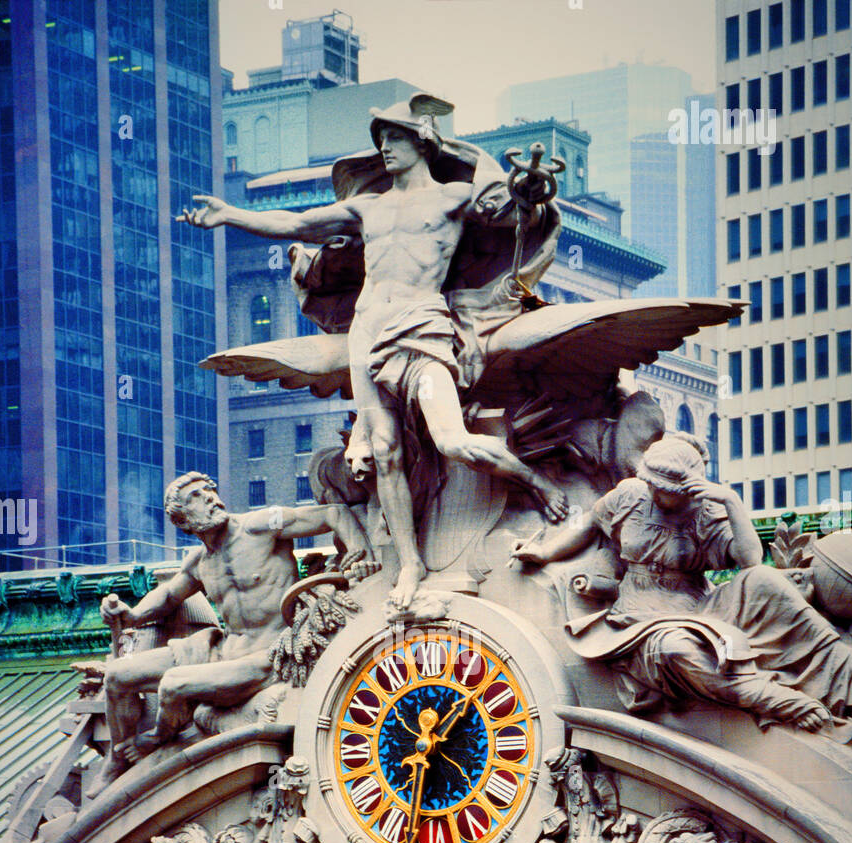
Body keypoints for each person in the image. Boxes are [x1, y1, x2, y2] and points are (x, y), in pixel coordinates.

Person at [178, 93, 569, 610]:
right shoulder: (368, 206)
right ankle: (409, 565)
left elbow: (511, 210)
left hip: (423, 326)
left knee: (452, 440)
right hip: (368, 330)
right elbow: (297, 225)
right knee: (384, 452)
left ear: (423, 141)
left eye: (395, 138)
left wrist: (532, 189)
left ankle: (535, 480)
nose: (385, 149)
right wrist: (229, 215)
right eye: (381, 140)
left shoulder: (453, 197)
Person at [512, 437, 852, 736]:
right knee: (675, 650)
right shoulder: (630, 496)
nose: (656, 493)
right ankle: (765, 695)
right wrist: (544, 552)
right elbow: (589, 526)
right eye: (652, 484)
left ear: (688, 488)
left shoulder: (706, 512)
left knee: (764, 579)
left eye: (665, 490)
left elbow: (751, 560)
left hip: (697, 607)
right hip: (638, 619)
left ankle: (842, 672)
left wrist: (731, 502)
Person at [89, 473, 377, 792]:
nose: (212, 498)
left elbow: (333, 514)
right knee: (116, 676)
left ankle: (154, 739)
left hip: (268, 657)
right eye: (198, 496)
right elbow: (171, 595)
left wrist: (361, 552)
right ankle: (116, 760)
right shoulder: (199, 561)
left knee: (172, 684)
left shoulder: (259, 525)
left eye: (211, 491)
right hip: (221, 651)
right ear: (183, 520)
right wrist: (133, 615)